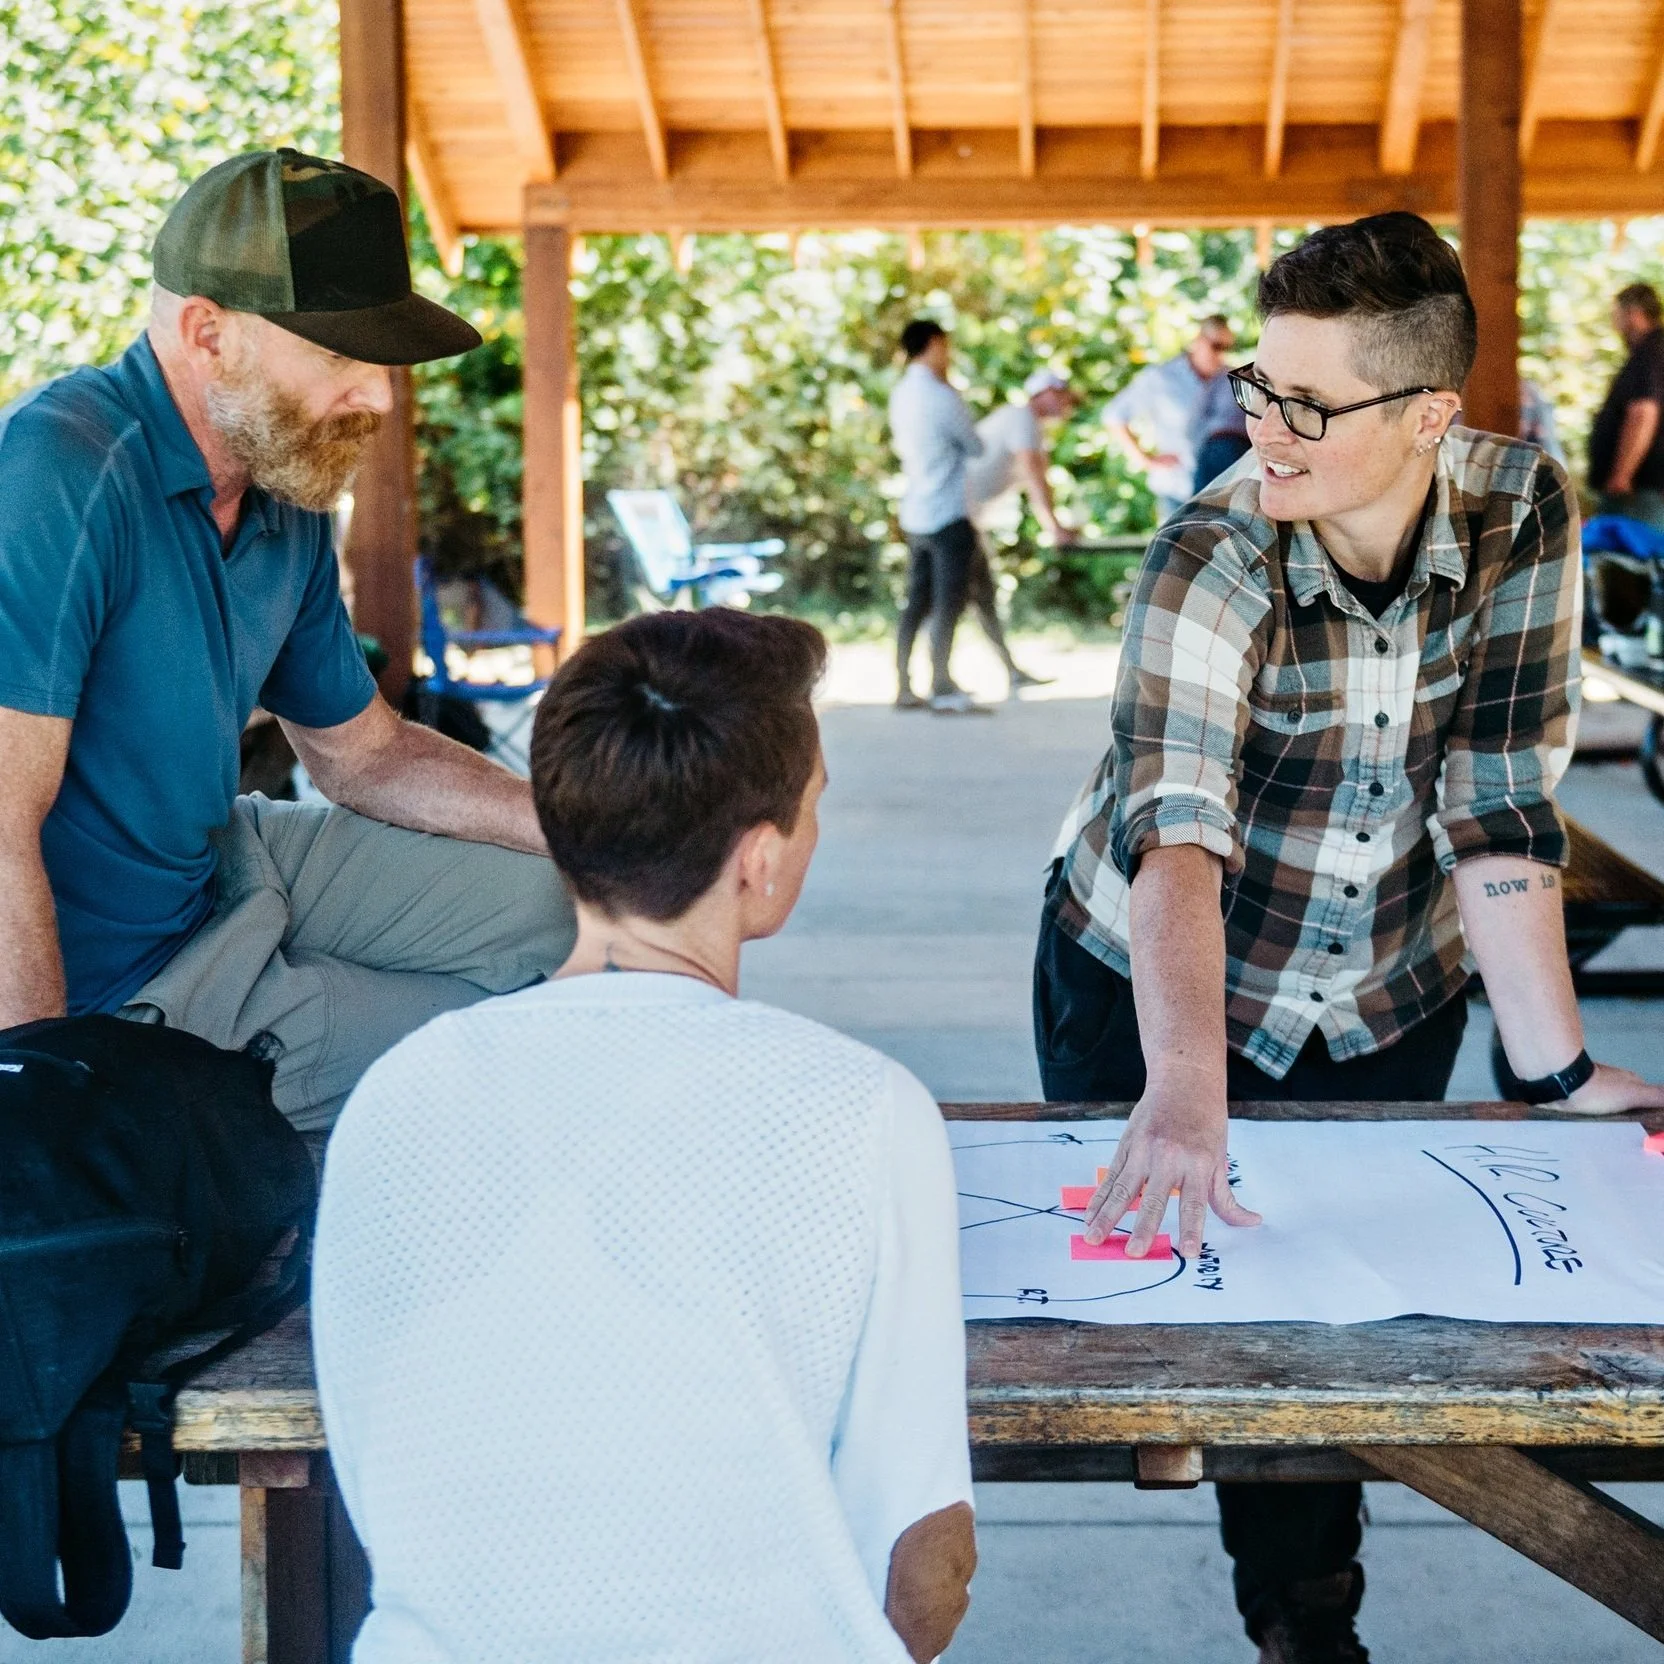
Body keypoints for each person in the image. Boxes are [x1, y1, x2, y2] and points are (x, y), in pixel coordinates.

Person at [1036, 212, 1664, 1664]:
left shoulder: (1523, 506)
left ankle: (1304, 1629)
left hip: (1388, 975)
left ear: (1431, 415)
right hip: (1149, 969)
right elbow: (1174, 838)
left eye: (1308, 404)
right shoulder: (1212, 548)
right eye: (1260, 385)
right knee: (1149, 1330)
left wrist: (1558, 1071)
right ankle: (1187, 1436)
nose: (1266, 427)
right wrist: (1187, 1088)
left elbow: (1497, 798)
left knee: (1317, 1347)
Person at [313, 608, 977, 1664]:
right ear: (758, 860)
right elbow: (922, 1567)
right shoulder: (859, 1108)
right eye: (812, 809)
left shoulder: (396, 1092)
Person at [0, 149, 575, 1132]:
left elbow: (365, 753)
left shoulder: (284, 485)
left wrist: (591, 822)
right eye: (341, 359)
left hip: (223, 861)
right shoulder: (64, 468)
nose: (381, 400)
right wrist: (44, 1119)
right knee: (504, 1064)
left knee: (574, 898)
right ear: (206, 331)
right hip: (121, 978)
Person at [888, 319, 985, 713]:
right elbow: (974, 445)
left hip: (915, 511)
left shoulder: (900, 394)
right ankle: (941, 682)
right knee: (949, 602)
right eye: (945, 346)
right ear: (932, 345)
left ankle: (904, 684)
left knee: (915, 602)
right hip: (947, 511)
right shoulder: (943, 396)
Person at [965, 367, 1079, 694]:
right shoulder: (1021, 418)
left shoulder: (1026, 424)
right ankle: (935, 683)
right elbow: (1034, 475)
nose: (1065, 402)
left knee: (977, 595)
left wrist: (1056, 524)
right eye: (1059, 393)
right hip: (955, 516)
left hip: (967, 518)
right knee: (954, 597)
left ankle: (1008, 671)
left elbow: (1039, 476)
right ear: (1042, 394)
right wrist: (1054, 528)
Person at [1106, 314, 1236, 519]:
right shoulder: (1162, 377)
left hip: (1219, 488)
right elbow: (1115, 415)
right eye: (1216, 346)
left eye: (1228, 348)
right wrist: (1144, 459)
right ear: (1199, 341)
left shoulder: (1230, 379)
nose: (1221, 354)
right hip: (1176, 486)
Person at [1588, 281, 1664, 529]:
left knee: (1630, 562)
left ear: (1632, 313)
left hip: (1641, 493)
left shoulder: (1651, 352)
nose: (1615, 323)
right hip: (1645, 491)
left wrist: (1621, 476)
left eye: (1617, 315)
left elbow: (1643, 412)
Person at [1190, 353, 1253, 493]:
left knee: (1203, 504)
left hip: (1220, 443)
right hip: (1241, 446)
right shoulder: (1251, 379)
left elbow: (1199, 413)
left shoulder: (1222, 376)